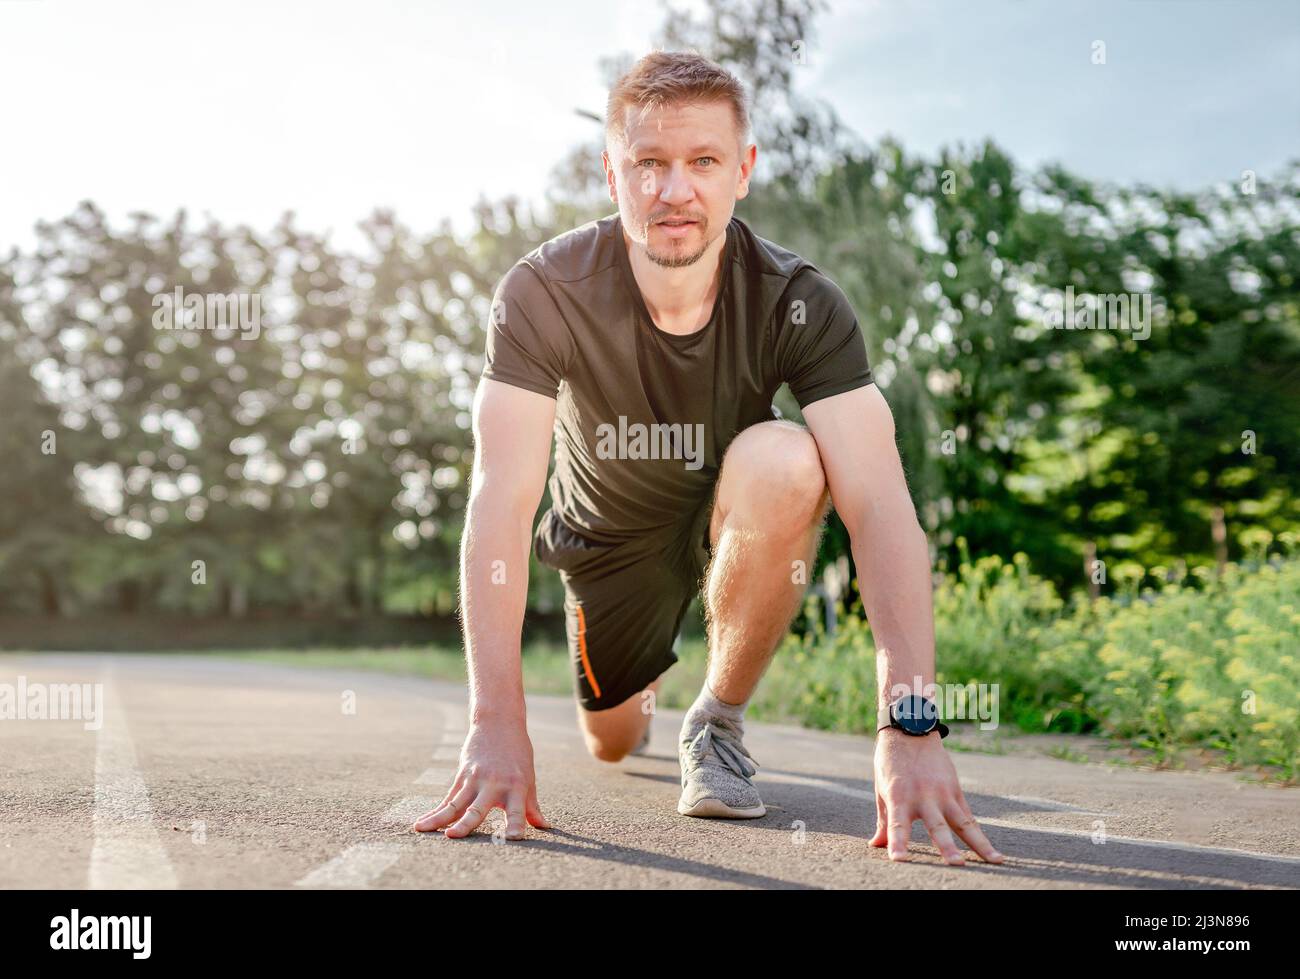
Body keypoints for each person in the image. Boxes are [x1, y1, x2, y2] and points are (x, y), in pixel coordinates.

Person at [413, 50, 1005, 866]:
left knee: (794, 459)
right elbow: (502, 502)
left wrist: (910, 724)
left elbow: (880, 505)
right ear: (611, 173)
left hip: (734, 505)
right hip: (607, 543)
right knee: (615, 742)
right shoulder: (542, 291)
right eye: (648, 163)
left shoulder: (800, 302)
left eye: (702, 162)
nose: (674, 190)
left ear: (744, 170)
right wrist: (496, 725)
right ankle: (636, 674)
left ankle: (716, 718)